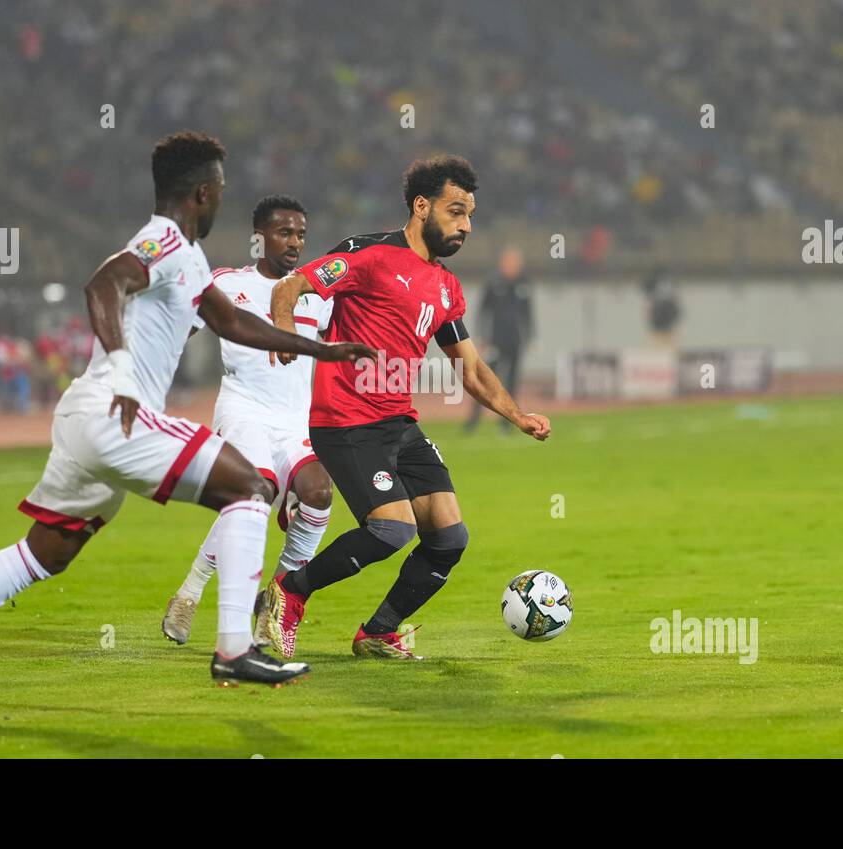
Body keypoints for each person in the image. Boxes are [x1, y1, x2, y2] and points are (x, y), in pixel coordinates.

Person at [0, 132, 374, 713]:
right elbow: (104, 284)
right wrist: (119, 371)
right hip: (115, 412)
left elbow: (238, 325)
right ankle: (235, 646)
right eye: (217, 189)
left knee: (44, 554)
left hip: (85, 423)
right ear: (202, 193)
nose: (220, 200)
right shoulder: (163, 239)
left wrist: (326, 351)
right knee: (250, 488)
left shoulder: (190, 261)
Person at [260, 155, 551, 660]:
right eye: (456, 211)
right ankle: (289, 591)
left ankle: (378, 632)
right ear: (422, 206)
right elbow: (292, 285)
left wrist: (517, 415)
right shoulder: (367, 253)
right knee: (393, 529)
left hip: (398, 423)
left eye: (470, 215)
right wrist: (285, 329)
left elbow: (472, 368)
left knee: (449, 538)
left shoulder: (446, 287)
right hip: (346, 422)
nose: (466, 226)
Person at [161, 194, 335, 647]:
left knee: (318, 494)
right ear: (258, 239)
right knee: (256, 494)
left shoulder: (317, 295)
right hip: (243, 410)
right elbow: (182, 328)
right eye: (284, 232)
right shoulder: (226, 282)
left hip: (294, 421)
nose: (294, 241)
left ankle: (274, 599)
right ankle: (190, 593)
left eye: (300, 233)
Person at [464, 246, 533, 433]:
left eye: (515, 263)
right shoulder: (493, 283)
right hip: (494, 340)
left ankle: (507, 423)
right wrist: (481, 337)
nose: (511, 266)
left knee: (512, 382)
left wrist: (528, 335)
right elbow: (482, 312)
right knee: (486, 381)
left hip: (514, 341)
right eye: (508, 263)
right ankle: (473, 421)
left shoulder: (523, 283)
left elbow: (528, 314)